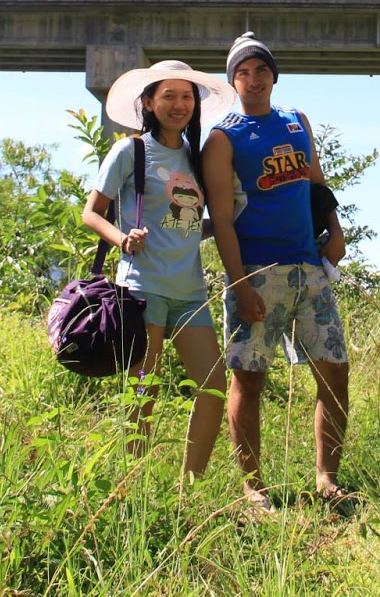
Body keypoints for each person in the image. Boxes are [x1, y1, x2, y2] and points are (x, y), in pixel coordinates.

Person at [203, 32, 351, 512]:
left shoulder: (295, 122)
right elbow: (222, 219)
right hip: (257, 270)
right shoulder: (223, 138)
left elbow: (316, 183)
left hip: (310, 268)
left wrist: (334, 229)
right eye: (242, 72)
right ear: (232, 81)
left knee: (335, 373)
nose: (253, 79)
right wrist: (239, 283)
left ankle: (327, 477)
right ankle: (253, 486)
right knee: (248, 377)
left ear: (273, 76)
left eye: (261, 70)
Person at [80, 59, 236, 480]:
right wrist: (122, 239)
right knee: (142, 391)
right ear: (148, 103)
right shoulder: (130, 150)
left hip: (189, 292)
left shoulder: (196, 157)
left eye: (186, 96)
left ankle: (191, 484)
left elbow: (184, 223)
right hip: (141, 288)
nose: (179, 104)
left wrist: (215, 223)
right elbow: (91, 213)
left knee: (213, 385)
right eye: (168, 95)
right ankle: (136, 487)